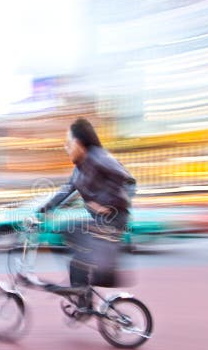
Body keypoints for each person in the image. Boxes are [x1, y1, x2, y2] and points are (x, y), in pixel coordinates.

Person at [37, 118, 136, 313]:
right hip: (99, 220)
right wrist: (42, 211)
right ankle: (83, 298)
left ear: (80, 143)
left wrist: (107, 204)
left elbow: (127, 180)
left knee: (69, 233)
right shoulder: (79, 169)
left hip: (113, 220)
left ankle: (83, 293)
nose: (66, 147)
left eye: (69, 142)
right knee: (72, 251)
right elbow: (64, 192)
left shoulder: (99, 157)